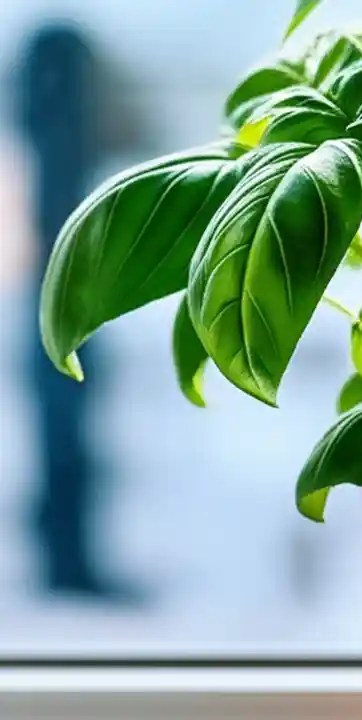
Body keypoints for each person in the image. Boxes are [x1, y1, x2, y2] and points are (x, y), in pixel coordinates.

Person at [14, 23, 134, 601]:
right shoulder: (53, 137)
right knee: (65, 434)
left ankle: (68, 561)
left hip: (64, 296)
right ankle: (67, 565)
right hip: (56, 299)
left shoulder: (47, 125)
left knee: (69, 434)